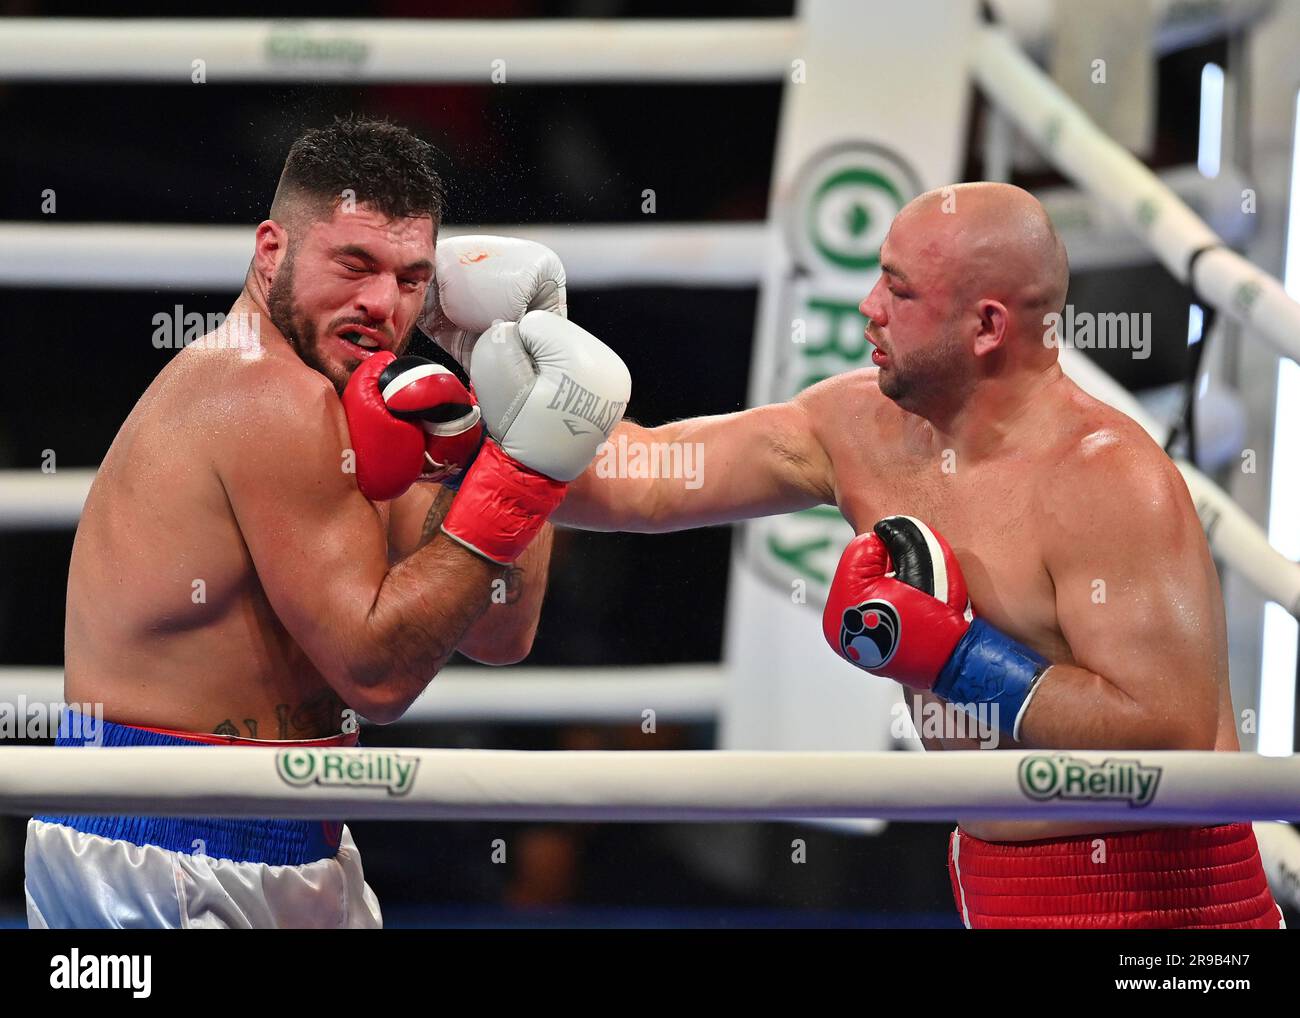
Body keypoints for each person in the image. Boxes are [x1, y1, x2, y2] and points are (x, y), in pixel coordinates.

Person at [554, 181, 1283, 929]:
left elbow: (1169, 735)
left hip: (1168, 918)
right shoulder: (861, 426)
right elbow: (648, 480)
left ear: (987, 325)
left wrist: (959, 661)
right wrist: (482, 418)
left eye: (898, 291)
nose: (868, 305)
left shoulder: (1105, 478)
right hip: (993, 892)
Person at [25, 116, 629, 929]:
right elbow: (376, 675)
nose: (380, 303)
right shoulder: (264, 394)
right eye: (355, 264)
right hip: (168, 856)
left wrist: (511, 423)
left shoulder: (361, 403)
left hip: (291, 842)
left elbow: (497, 628)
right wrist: (522, 473)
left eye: (412, 278)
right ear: (271, 250)